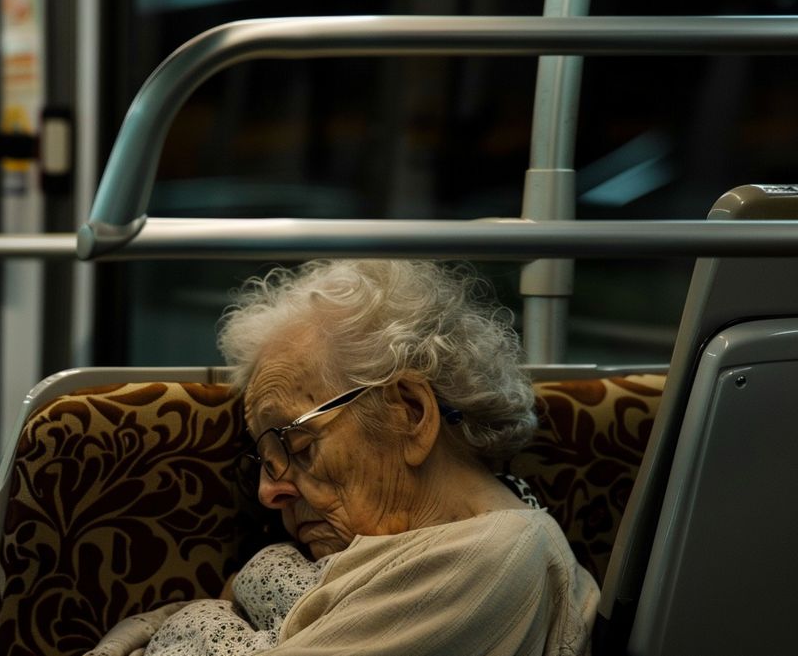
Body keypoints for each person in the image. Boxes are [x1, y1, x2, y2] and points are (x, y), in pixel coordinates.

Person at [87, 260, 598, 656]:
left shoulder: (490, 557)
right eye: (265, 460)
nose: (269, 492)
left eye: (297, 446)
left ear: (410, 413)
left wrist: (193, 619)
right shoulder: (429, 548)